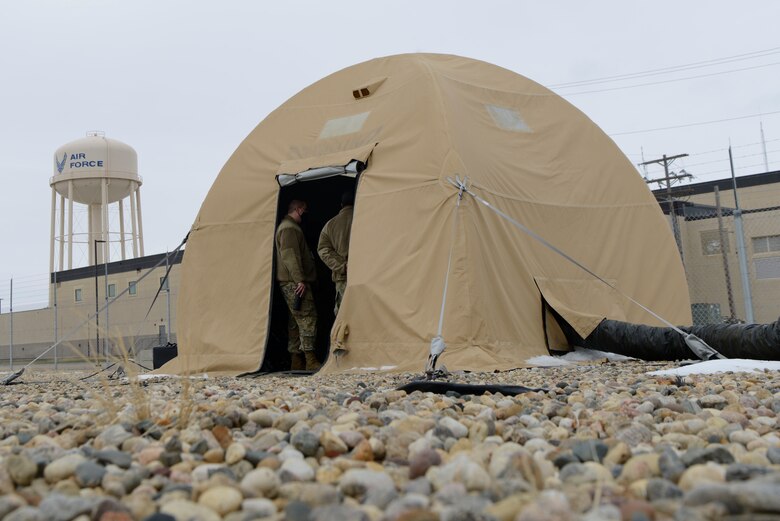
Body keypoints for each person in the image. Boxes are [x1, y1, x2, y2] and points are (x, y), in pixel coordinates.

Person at [275, 199, 320, 371]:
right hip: (295, 283)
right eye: (305, 210)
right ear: (299, 210)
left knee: (295, 321)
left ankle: (297, 361)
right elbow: (290, 256)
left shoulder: (287, 227)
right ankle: (310, 360)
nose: (305, 214)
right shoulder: (289, 228)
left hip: (290, 281)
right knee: (308, 318)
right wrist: (299, 279)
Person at [317, 191, 354, 316]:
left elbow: (323, 250)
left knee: (343, 316)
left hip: (343, 278)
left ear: (341, 204)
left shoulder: (330, 225)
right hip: (368, 276)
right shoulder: (367, 219)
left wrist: (343, 266)